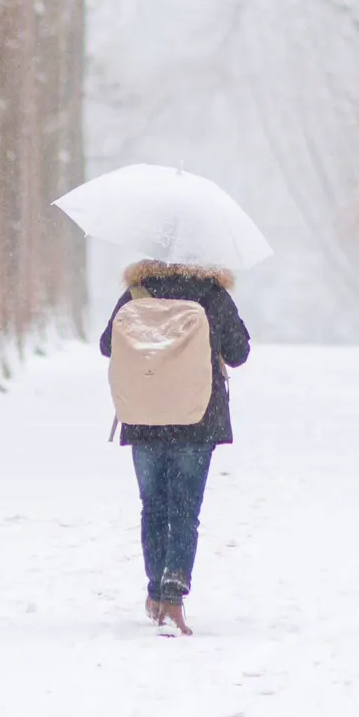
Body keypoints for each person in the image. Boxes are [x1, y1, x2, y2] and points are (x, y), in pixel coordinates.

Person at [100, 259, 250, 634]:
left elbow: (107, 345)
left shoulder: (137, 292)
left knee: (153, 507)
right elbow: (239, 352)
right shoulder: (212, 295)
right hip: (196, 418)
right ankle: (173, 593)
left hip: (145, 416)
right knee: (185, 510)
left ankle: (155, 592)